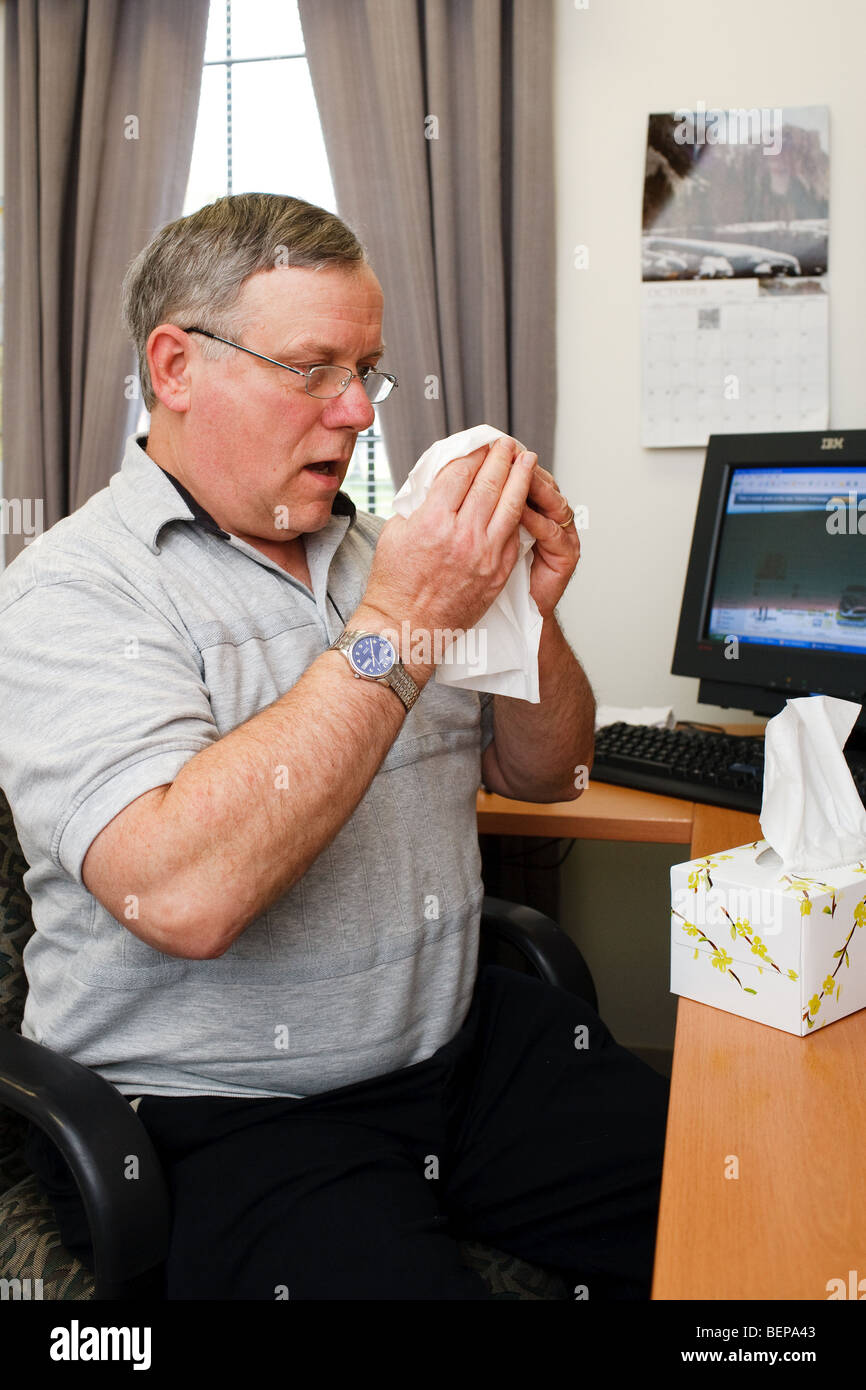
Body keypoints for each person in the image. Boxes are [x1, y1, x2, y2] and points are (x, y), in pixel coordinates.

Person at [0, 192, 668, 1300]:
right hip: (211, 1109)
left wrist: (529, 618)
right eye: (313, 367)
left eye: (369, 369)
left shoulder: (389, 556)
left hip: (452, 1050)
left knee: (748, 1215)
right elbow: (186, 897)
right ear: (175, 366)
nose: (357, 410)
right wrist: (402, 625)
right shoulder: (71, 592)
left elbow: (548, 774)